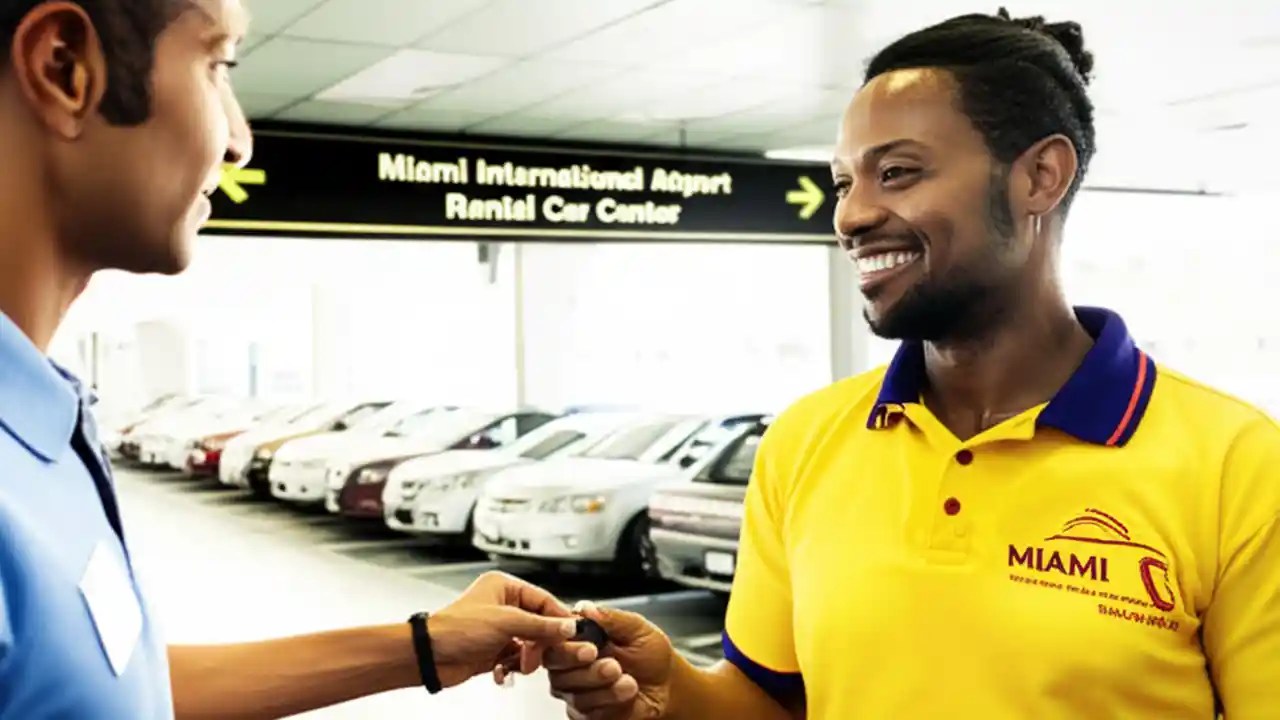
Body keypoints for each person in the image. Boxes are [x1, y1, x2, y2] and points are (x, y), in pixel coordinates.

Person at [545, 9, 1280, 720]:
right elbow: (771, 704)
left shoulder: (1237, 464)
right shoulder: (805, 441)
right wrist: (670, 695)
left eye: (896, 173)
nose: (851, 215)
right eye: (843, 183)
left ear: (1040, 177)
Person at [0, 1, 601, 718]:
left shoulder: (41, 421)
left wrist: (425, 646)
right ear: (63, 67)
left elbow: (103, 688)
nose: (240, 142)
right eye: (217, 64)